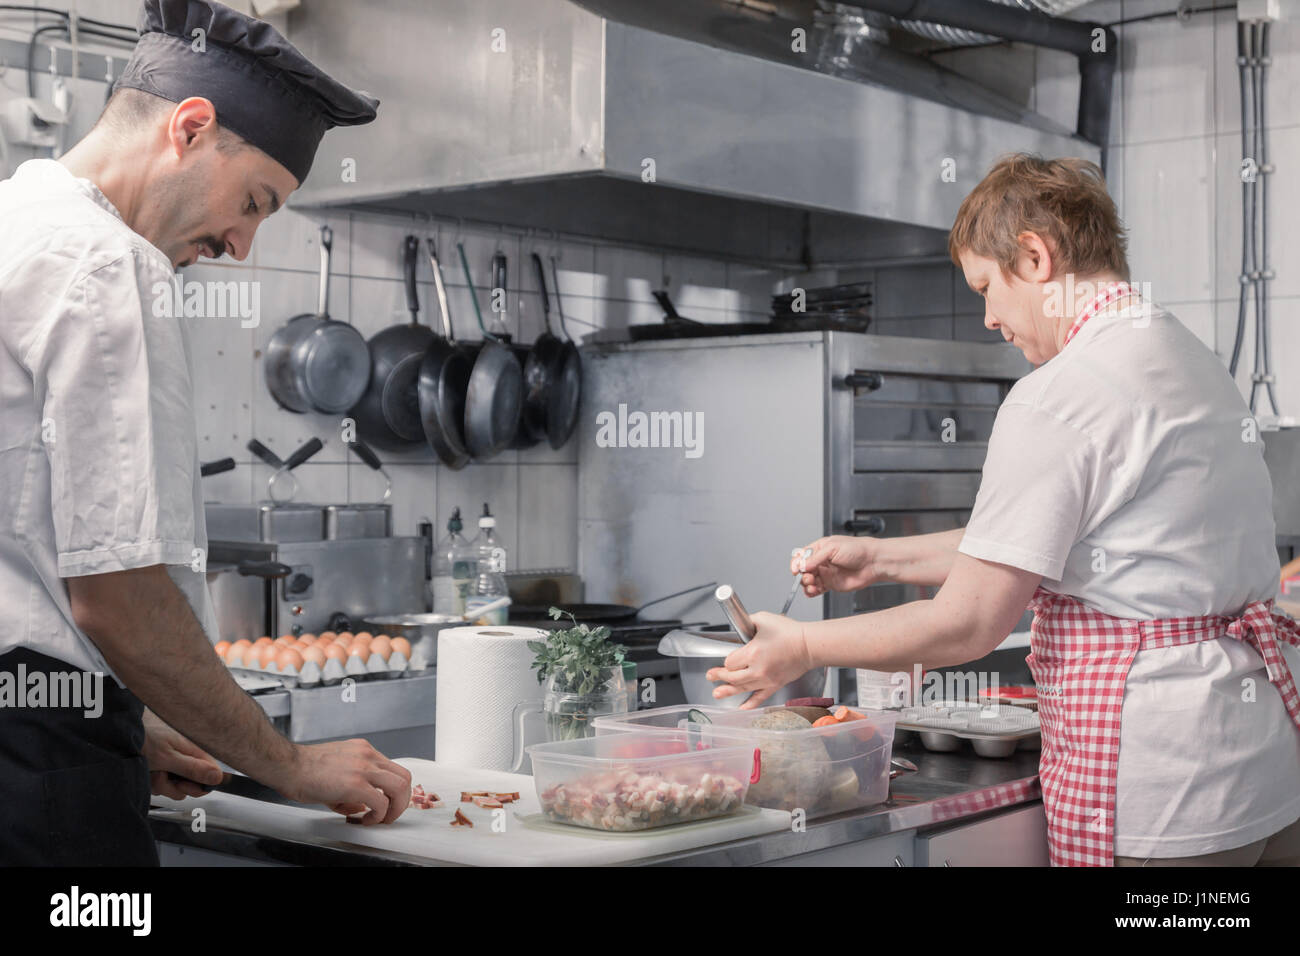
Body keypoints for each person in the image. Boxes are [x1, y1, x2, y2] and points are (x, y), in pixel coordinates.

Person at [708, 154, 1300, 867]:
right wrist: (883, 557)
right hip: (1261, 775)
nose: (989, 317)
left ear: (1035, 255)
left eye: (987, 287)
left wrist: (801, 647)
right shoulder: (1183, 354)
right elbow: (1056, 537)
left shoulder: (1063, 392)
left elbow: (969, 622)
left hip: (1162, 787)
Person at [0, 0, 410, 866]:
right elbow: (116, 598)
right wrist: (288, 762)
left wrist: (111, 713)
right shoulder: (109, 264)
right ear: (190, 128)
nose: (242, 245)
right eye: (254, 202)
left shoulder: (15, 229)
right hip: (42, 786)